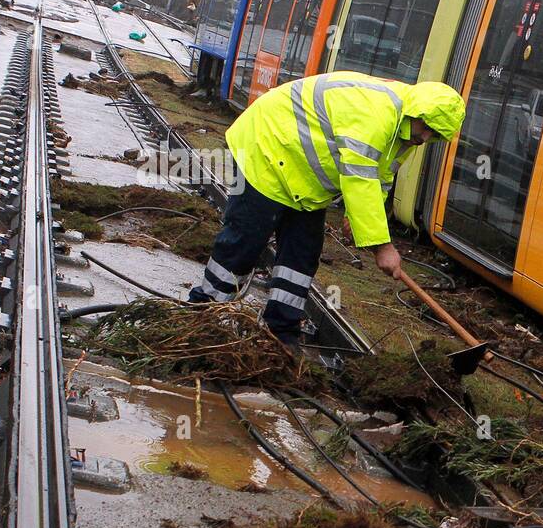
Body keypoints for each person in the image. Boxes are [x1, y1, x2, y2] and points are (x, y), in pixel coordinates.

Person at [188, 72, 466, 345]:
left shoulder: (406, 132)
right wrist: (382, 246)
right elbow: (360, 179)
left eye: (436, 135)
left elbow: (381, 177)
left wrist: (354, 216)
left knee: (302, 254)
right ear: (417, 112)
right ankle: (205, 312)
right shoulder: (379, 114)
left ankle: (281, 332)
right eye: (427, 127)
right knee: (246, 238)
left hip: (302, 176)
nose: (426, 137)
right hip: (267, 150)